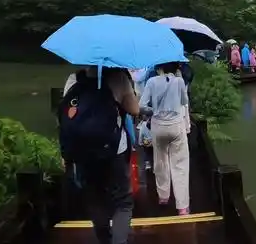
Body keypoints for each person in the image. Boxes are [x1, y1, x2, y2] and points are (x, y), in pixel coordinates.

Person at [58, 66, 141, 244]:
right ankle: (119, 241)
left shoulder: (74, 79)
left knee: (95, 199)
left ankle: (104, 239)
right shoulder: (118, 77)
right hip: (114, 151)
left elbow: (65, 120)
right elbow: (134, 110)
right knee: (122, 201)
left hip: (83, 153)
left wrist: (65, 154)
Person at [139, 62, 191, 215]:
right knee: (180, 164)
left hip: (158, 126)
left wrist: (153, 110)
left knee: (160, 161)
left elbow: (141, 106)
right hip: (176, 126)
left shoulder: (151, 82)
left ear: (158, 67)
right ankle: (182, 206)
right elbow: (184, 102)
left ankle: (163, 196)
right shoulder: (179, 81)